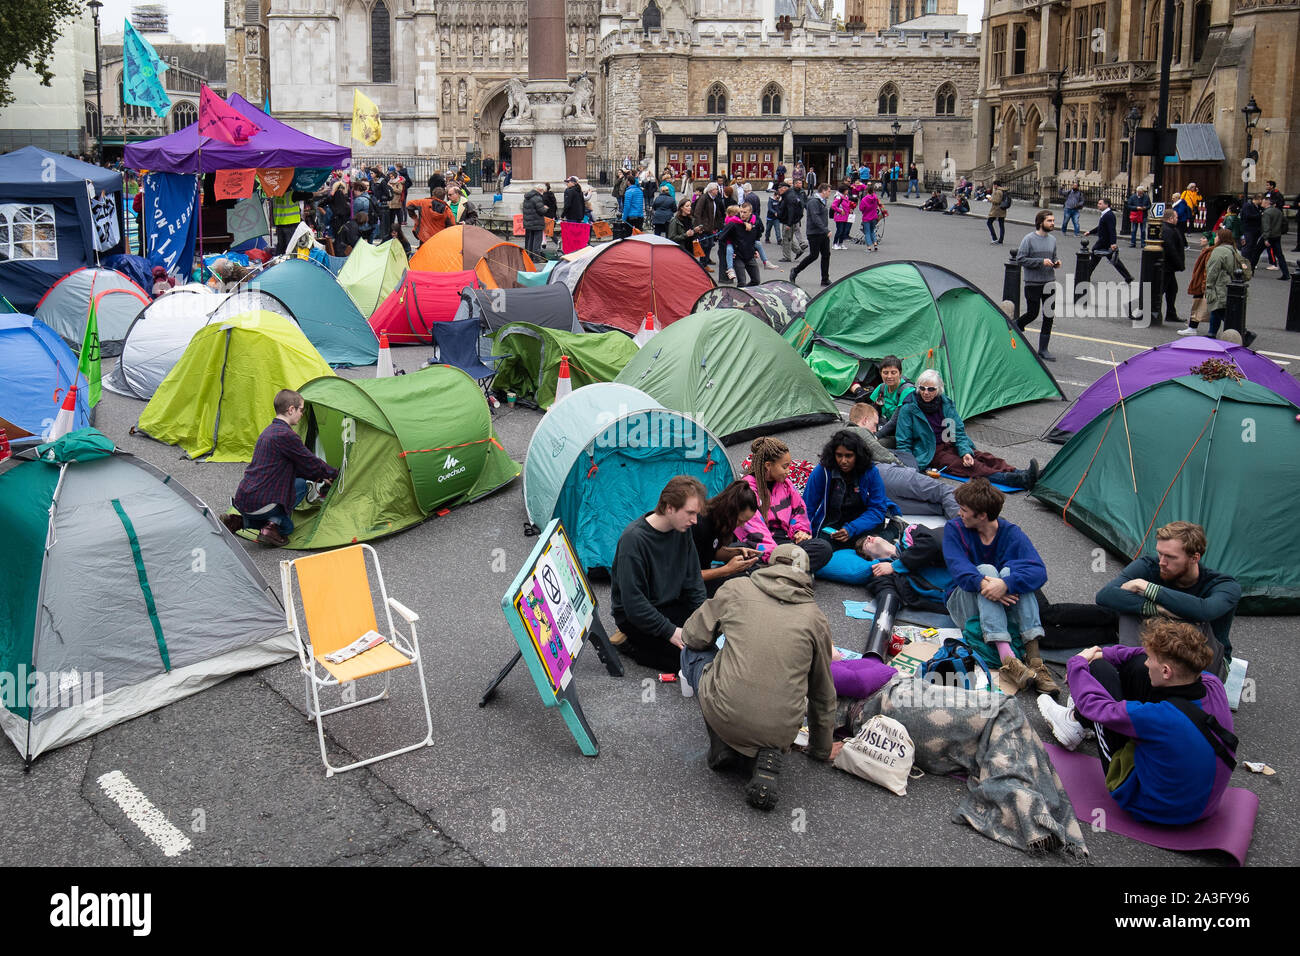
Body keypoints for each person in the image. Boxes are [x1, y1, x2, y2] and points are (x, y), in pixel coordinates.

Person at [680, 543, 839, 811]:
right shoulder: (816, 619)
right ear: (807, 576)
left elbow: (692, 636)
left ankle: (722, 740)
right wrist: (821, 749)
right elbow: (822, 692)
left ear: (769, 565)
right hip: (781, 729)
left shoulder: (736, 589)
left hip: (726, 711)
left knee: (694, 654)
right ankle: (767, 751)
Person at [1039, 619, 1235, 826]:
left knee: (1098, 673)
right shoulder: (1212, 683)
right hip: (1202, 806)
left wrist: (1077, 664)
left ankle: (1074, 722)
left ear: (1167, 671)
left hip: (1156, 809)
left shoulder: (1159, 717)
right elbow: (1139, 656)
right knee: (1135, 668)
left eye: (1151, 659)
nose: (1147, 661)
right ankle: (1081, 711)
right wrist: (1106, 653)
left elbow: (1095, 706)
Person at [943, 479, 1053, 693]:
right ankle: (1008, 660)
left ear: (981, 515)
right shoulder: (954, 529)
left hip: (1000, 608)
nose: (959, 514)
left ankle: (1035, 662)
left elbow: (1039, 571)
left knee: (1013, 574)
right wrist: (989, 585)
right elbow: (960, 570)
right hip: (964, 602)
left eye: (964, 510)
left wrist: (1006, 585)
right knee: (986, 570)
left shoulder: (1011, 533)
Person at [1095, 521, 1241, 672]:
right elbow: (1105, 595)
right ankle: (1134, 666)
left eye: (1171, 557)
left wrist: (1147, 587)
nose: (1162, 562)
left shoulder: (1225, 585)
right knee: (1129, 604)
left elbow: (1204, 611)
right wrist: (1156, 608)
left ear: (1194, 558)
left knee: (1196, 620)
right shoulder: (1149, 566)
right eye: (1160, 553)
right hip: (1158, 652)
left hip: (1205, 661)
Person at [610, 475, 709, 673]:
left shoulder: (682, 530)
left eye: (696, 514)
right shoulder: (634, 540)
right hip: (636, 616)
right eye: (690, 513)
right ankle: (630, 645)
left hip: (670, 603)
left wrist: (703, 616)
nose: (695, 520)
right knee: (689, 660)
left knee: (712, 641)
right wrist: (670, 631)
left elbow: (693, 581)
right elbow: (633, 603)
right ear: (669, 507)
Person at [225, 390, 339, 547]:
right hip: (262, 502)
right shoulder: (287, 436)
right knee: (287, 528)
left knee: (299, 483)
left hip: (244, 499)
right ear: (291, 409)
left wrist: (318, 477)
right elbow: (310, 461)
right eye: (301, 410)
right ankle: (271, 526)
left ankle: (238, 520)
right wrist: (334, 473)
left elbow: (293, 467)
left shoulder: (268, 432)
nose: (302, 414)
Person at [894, 369, 1039, 488]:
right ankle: (1015, 479)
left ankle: (1022, 472)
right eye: (922, 388)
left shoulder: (945, 403)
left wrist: (964, 451)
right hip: (931, 450)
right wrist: (910, 468)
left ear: (938, 390)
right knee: (971, 466)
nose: (926, 392)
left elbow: (957, 432)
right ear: (918, 388)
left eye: (931, 389)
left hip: (949, 441)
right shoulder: (908, 409)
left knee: (984, 456)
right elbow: (903, 442)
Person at [735, 436, 833, 574]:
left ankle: (773, 574)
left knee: (823, 548)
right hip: (758, 547)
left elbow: (798, 511)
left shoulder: (786, 485)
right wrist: (776, 556)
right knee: (737, 553)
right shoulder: (746, 489)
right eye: (784, 466)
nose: (788, 471)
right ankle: (788, 573)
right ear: (768, 465)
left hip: (785, 542)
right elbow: (755, 532)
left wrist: (800, 532)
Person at [803, 429, 895, 557]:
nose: (843, 461)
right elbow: (807, 506)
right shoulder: (823, 471)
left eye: (848, 456)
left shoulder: (870, 472)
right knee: (822, 547)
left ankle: (894, 528)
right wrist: (803, 531)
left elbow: (878, 509)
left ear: (857, 456)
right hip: (833, 523)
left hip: (862, 523)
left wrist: (851, 529)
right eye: (839, 455)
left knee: (870, 546)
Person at [691, 480, 762, 596]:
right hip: (693, 588)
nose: (742, 525)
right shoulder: (699, 525)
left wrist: (736, 553)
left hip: (704, 578)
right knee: (745, 585)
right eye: (740, 521)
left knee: (752, 571)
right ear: (730, 512)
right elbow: (686, 577)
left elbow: (710, 551)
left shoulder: (718, 522)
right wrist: (727, 569)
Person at [1015, 209, 1062, 360]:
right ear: (1040, 222)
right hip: (1033, 282)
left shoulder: (1052, 240)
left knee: (1049, 315)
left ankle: (1043, 349)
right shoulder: (1028, 239)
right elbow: (1020, 259)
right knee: (1032, 313)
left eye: (1053, 221)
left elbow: (1053, 257)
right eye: (1049, 221)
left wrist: (1056, 263)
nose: (1052, 223)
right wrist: (1040, 262)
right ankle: (1016, 325)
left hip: (1049, 282)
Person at [1204, 227, 1252, 338]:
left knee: (1220, 311)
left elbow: (1213, 270)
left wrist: (1209, 286)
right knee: (1217, 310)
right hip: (1232, 284)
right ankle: (1212, 333)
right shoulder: (1233, 249)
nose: (1215, 238)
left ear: (1221, 238)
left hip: (1221, 285)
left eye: (1216, 236)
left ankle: (1243, 332)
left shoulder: (1219, 250)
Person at [789, 182, 832, 287]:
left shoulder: (822, 201)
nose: (830, 194)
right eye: (829, 191)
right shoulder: (813, 201)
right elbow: (815, 217)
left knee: (826, 255)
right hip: (814, 233)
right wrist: (825, 230)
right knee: (814, 255)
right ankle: (795, 270)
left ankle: (825, 279)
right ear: (824, 191)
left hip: (822, 232)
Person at [1086, 197, 1134, 283]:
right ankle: (1128, 277)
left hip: (1104, 242)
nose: (1098, 205)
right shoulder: (1105, 214)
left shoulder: (1109, 215)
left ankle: (1085, 276)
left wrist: (1113, 243)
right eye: (1098, 203)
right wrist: (1090, 232)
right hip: (1105, 242)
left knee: (1094, 256)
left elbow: (1112, 230)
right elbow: (1100, 227)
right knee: (1115, 261)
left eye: (1100, 204)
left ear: (1106, 205)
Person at [1177, 231, 1215, 335]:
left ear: (1209, 240)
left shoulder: (1209, 253)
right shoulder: (1205, 251)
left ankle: (1193, 328)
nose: (1200, 239)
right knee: (1198, 305)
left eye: (1203, 238)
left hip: (1201, 283)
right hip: (1200, 282)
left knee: (1201, 306)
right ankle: (1192, 327)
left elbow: (1207, 270)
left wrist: (1204, 284)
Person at [716, 204, 763, 287]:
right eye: (741, 212)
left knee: (756, 281)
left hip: (750, 255)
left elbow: (755, 238)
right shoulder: (733, 224)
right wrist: (729, 252)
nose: (742, 214)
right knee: (742, 283)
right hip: (738, 257)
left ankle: (745, 293)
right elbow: (721, 238)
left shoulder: (754, 223)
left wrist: (755, 250)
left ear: (750, 213)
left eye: (745, 212)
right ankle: (741, 297)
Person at [1158, 208, 1187, 323]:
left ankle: (1171, 313)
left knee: (1172, 289)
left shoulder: (1170, 228)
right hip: (1167, 267)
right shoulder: (1167, 230)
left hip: (1169, 267)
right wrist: (1179, 264)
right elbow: (1171, 249)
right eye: (1176, 217)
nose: (1177, 219)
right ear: (1170, 219)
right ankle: (1154, 312)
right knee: (1161, 290)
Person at [1255, 196, 1291, 279]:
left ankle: (1251, 270)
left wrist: (1266, 238)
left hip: (1268, 236)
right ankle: (1286, 274)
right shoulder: (1278, 211)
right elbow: (1285, 222)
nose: (1262, 203)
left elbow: (1266, 226)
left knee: (1256, 253)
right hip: (1277, 235)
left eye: (1263, 202)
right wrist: (1281, 231)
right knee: (1280, 255)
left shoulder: (1267, 213)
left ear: (1267, 203)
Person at [693, 181, 726, 266]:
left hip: (711, 226)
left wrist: (718, 225)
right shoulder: (704, 198)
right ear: (711, 190)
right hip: (704, 226)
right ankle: (703, 263)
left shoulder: (713, 199)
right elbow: (697, 212)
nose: (717, 191)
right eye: (716, 189)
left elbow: (716, 213)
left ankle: (706, 260)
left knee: (710, 244)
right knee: (705, 244)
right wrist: (699, 225)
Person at [777, 181, 807, 262]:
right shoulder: (788, 195)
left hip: (789, 221)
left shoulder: (789, 196)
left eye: (779, 188)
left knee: (786, 238)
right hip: (788, 220)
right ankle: (798, 251)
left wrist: (789, 224)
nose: (778, 190)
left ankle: (787, 257)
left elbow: (791, 211)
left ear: (784, 188)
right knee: (787, 237)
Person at [521, 183, 547, 256]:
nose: (543, 193)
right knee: (537, 241)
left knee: (530, 240)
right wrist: (545, 208)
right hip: (537, 222)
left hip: (528, 222)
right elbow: (541, 211)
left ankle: (530, 255)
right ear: (540, 190)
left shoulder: (527, 197)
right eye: (543, 191)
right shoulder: (537, 198)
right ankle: (536, 256)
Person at [858, 183, 881, 252]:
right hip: (874, 217)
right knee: (872, 231)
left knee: (867, 232)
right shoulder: (875, 198)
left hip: (866, 217)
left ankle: (869, 247)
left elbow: (861, 208)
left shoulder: (864, 199)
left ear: (866, 191)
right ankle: (875, 244)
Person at [986, 179, 1007, 244]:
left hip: (996, 210)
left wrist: (990, 199)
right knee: (1001, 225)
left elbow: (996, 201)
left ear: (995, 185)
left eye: (994, 185)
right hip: (1002, 209)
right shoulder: (1003, 190)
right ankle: (1001, 240)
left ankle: (994, 238)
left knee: (989, 222)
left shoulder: (998, 191)